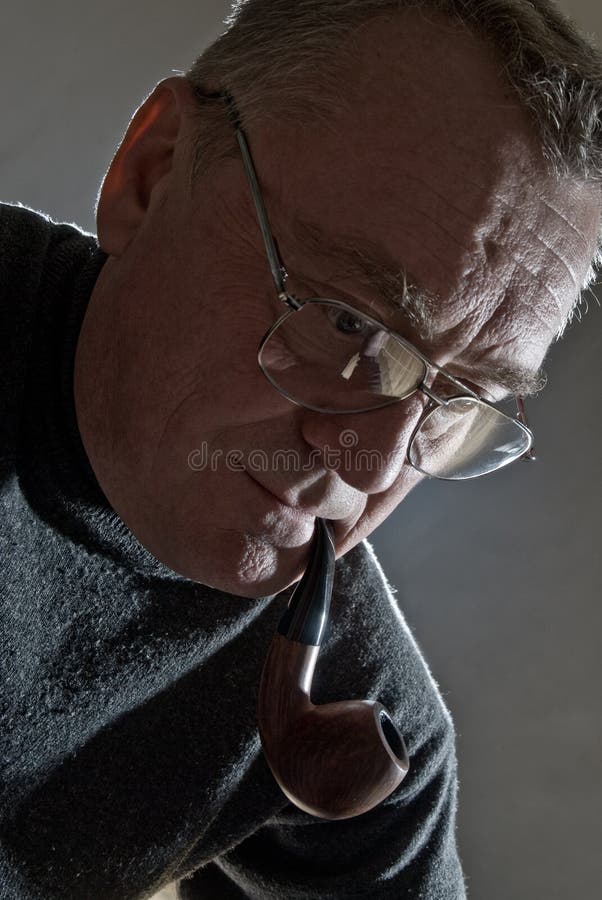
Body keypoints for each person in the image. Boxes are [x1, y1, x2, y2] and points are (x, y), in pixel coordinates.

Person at [1, 1, 601, 897]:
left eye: (461, 395)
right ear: (153, 174)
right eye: (349, 321)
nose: (371, 469)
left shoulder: (360, 727)